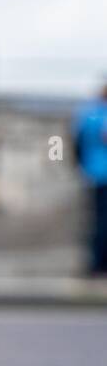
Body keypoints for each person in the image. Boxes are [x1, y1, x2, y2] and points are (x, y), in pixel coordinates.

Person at [73, 83, 107, 276]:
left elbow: (76, 144)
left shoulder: (87, 115)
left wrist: (82, 167)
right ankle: (100, 265)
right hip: (103, 176)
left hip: (93, 175)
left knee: (96, 221)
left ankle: (96, 264)